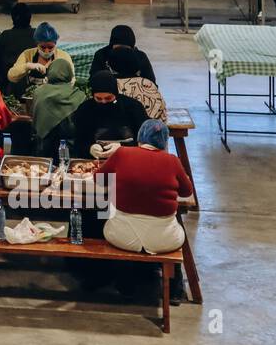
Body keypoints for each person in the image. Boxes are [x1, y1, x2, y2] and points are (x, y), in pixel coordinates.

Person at [97, 119, 192, 302]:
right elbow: (186, 192)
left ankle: (124, 285)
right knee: (177, 227)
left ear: (140, 137)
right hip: (165, 240)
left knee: (109, 213)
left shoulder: (122, 154)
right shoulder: (172, 161)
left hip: (121, 236)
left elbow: (99, 178)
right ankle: (174, 291)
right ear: (164, 141)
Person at [71, 70, 148, 160]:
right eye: (99, 99)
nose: (103, 102)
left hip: (129, 161)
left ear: (115, 93)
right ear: (93, 95)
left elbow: (146, 141)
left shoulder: (133, 107)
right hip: (97, 164)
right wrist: (89, 148)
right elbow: (79, 142)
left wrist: (123, 148)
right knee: (104, 175)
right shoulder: (86, 110)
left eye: (108, 98)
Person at [28, 58, 82, 158]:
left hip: (42, 147)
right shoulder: (78, 95)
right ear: (69, 74)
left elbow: (33, 114)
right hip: (69, 147)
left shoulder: (39, 92)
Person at [6, 21, 72, 91]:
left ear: (55, 44)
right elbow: (11, 77)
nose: (46, 51)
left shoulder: (63, 56)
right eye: (43, 47)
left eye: (50, 47)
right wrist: (27, 66)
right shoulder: (27, 54)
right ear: (37, 44)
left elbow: (71, 80)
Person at [0, 3, 37, 97]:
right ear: (30, 18)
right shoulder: (36, 35)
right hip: (32, 84)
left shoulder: (5, 36)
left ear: (13, 18)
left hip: (9, 86)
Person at [107, 49, 167, 121]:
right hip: (153, 129)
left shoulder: (108, 84)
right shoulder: (148, 84)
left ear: (111, 65)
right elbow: (162, 112)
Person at [90, 25, 157, 83]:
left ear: (132, 48)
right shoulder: (102, 55)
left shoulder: (140, 57)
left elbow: (151, 83)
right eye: (118, 48)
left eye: (125, 49)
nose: (122, 53)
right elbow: (93, 79)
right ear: (112, 46)